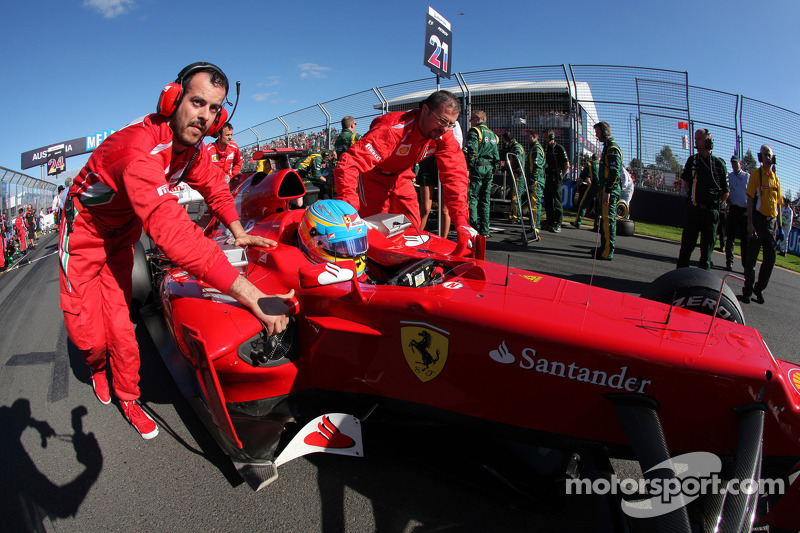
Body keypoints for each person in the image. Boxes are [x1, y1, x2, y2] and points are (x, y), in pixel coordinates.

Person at [58, 62, 294, 440]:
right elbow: (173, 234)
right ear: (172, 99)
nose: (205, 116)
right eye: (198, 102)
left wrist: (237, 230)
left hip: (123, 234)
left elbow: (215, 186)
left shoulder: (191, 149)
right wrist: (252, 296)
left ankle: (129, 397)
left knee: (121, 325)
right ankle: (96, 367)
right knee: (88, 335)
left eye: (214, 108)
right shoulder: (137, 152)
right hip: (85, 234)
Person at [334, 90, 476, 249]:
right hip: (373, 176)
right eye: (442, 121)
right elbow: (349, 163)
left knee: (412, 225)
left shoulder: (445, 135)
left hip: (401, 175)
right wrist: (349, 208)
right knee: (373, 231)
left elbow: (455, 175)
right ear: (425, 111)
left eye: (451, 124)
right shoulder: (393, 129)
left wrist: (462, 220)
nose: (445, 128)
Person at [676, 129, 728, 270]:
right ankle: (679, 278)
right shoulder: (692, 160)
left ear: (709, 140)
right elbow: (686, 182)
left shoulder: (719, 165)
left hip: (710, 214)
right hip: (694, 210)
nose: (696, 141)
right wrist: (692, 197)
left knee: (706, 254)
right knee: (686, 248)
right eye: (695, 138)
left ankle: (702, 283)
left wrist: (715, 205)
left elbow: (725, 192)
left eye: (699, 138)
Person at [742, 145, 782, 304]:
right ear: (761, 157)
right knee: (751, 258)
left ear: (772, 157)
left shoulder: (776, 178)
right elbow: (750, 200)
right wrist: (750, 223)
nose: (767, 157)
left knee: (771, 259)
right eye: (764, 154)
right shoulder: (756, 175)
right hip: (758, 221)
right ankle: (748, 290)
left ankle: (759, 288)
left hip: (771, 224)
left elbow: (778, 203)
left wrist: (778, 226)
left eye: (769, 154)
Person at [464, 110, 499, 237]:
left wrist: (468, 168)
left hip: (477, 169)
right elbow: (496, 157)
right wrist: (493, 170)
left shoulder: (475, 132)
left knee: (472, 198)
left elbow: (471, 152)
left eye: (472, 119)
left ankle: (472, 229)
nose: (471, 122)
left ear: (478, 119)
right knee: (485, 200)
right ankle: (485, 230)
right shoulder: (494, 135)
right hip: (489, 170)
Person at [591, 122, 623, 260]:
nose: (597, 136)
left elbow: (615, 173)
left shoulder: (612, 148)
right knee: (604, 221)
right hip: (605, 188)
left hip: (610, 190)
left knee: (608, 221)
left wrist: (607, 190)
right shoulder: (608, 147)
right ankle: (604, 247)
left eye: (598, 132)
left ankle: (607, 252)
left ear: (604, 132)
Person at [724, 155, 749, 271]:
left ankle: (745, 265)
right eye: (732, 163)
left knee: (745, 240)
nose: (734, 165)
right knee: (730, 238)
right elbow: (725, 191)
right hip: (734, 209)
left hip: (745, 211)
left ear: (740, 163)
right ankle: (729, 262)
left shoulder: (747, 176)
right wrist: (729, 203)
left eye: (736, 163)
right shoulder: (729, 176)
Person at [543, 130, 570, 232]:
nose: (544, 139)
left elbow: (567, 164)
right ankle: (549, 222)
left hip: (556, 178)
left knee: (557, 201)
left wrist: (562, 175)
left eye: (546, 137)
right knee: (548, 201)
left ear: (551, 137)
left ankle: (558, 223)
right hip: (548, 177)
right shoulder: (546, 148)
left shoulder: (559, 148)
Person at [500, 131, 527, 225]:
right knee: (514, 195)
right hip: (513, 174)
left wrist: (507, 167)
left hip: (517, 175)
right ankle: (514, 214)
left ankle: (516, 217)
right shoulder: (511, 147)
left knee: (516, 196)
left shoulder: (516, 148)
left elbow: (517, 162)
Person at [572, 153, 600, 230]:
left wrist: (579, 183)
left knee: (584, 204)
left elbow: (582, 176)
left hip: (593, 185)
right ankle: (597, 225)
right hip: (601, 186)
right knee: (598, 206)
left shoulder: (590, 164)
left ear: (592, 158)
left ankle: (578, 222)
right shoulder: (602, 164)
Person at [526, 130, 545, 232]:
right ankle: (533, 226)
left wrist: (533, 179)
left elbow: (537, 166)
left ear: (534, 137)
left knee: (535, 204)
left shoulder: (536, 149)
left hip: (536, 181)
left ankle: (535, 227)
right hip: (533, 180)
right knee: (532, 204)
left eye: (528, 137)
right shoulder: (532, 148)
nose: (526, 139)